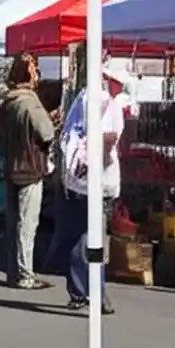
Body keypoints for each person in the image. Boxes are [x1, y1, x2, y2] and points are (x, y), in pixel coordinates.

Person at [59, 64, 128, 314]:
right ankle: (93, 292)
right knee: (92, 239)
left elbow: (69, 135)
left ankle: (80, 290)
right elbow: (109, 139)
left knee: (81, 237)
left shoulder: (83, 98)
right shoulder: (105, 102)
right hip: (97, 180)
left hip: (80, 180)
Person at [0, 52, 55, 290]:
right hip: (29, 168)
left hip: (9, 166)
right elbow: (47, 133)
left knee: (12, 224)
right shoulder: (30, 103)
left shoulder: (4, 104)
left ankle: (13, 271)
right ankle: (25, 273)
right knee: (27, 225)